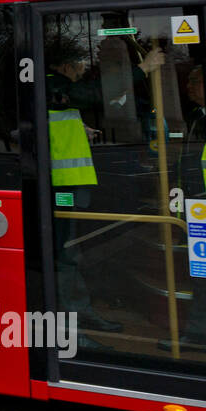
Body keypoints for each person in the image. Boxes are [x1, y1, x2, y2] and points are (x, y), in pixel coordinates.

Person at [44, 42, 120, 335]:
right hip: (62, 185)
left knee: (71, 248)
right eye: (78, 68)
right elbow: (92, 94)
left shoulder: (56, 93)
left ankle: (78, 310)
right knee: (67, 252)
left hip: (68, 183)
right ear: (64, 67)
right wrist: (140, 69)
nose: (80, 73)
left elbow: (55, 125)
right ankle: (76, 314)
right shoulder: (56, 86)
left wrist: (81, 130)